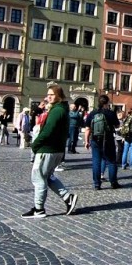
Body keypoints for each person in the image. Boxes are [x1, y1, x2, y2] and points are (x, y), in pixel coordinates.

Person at [21, 85, 80, 219]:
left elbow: (48, 131)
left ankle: (39, 209)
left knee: (38, 178)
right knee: (47, 176)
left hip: (47, 149)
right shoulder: (61, 109)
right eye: (48, 94)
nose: (49, 97)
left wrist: (35, 145)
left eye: (52, 94)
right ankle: (68, 197)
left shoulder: (57, 110)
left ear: (59, 96)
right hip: (56, 149)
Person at [85, 95, 121, 189]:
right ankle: (113, 183)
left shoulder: (92, 113)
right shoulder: (110, 113)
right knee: (111, 161)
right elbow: (117, 126)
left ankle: (97, 184)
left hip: (95, 140)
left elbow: (87, 129)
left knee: (96, 162)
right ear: (107, 103)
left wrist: (86, 141)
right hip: (108, 139)